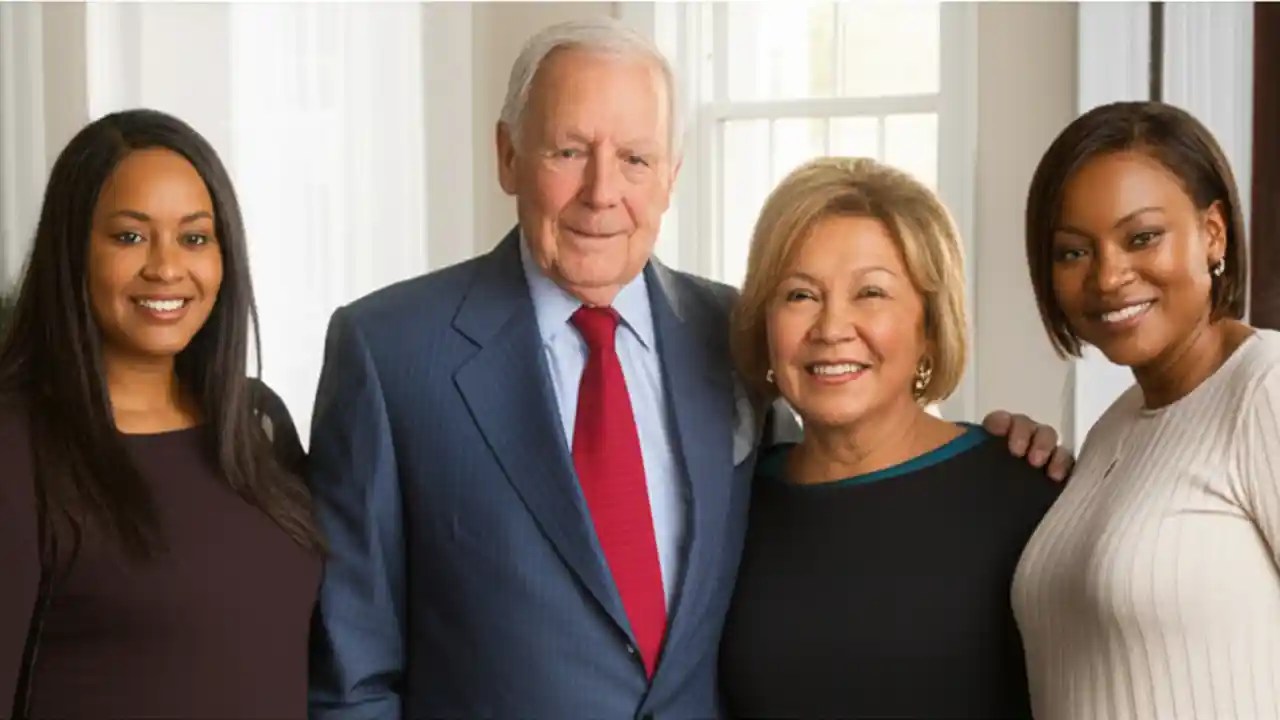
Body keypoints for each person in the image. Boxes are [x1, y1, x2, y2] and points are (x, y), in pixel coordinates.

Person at [306, 17, 1068, 719]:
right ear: (508, 155)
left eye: (635, 159)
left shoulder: (730, 337)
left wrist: (1005, 451)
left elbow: (863, 473)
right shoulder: (391, 353)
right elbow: (352, 676)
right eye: (569, 152)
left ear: (671, 174)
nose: (603, 193)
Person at [0, 109, 322, 718]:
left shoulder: (257, 424)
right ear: (72, 251)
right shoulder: (17, 446)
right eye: (130, 236)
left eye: (194, 238)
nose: (167, 268)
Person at [717, 157, 1060, 717]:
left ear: (930, 326)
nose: (832, 328)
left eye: (871, 292)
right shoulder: (734, 503)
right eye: (800, 295)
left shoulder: (1029, 493)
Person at [1012, 101, 1280, 718]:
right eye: (1073, 252)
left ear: (1212, 233)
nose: (1108, 277)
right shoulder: (1116, 425)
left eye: (1142, 238)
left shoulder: (1264, 390)